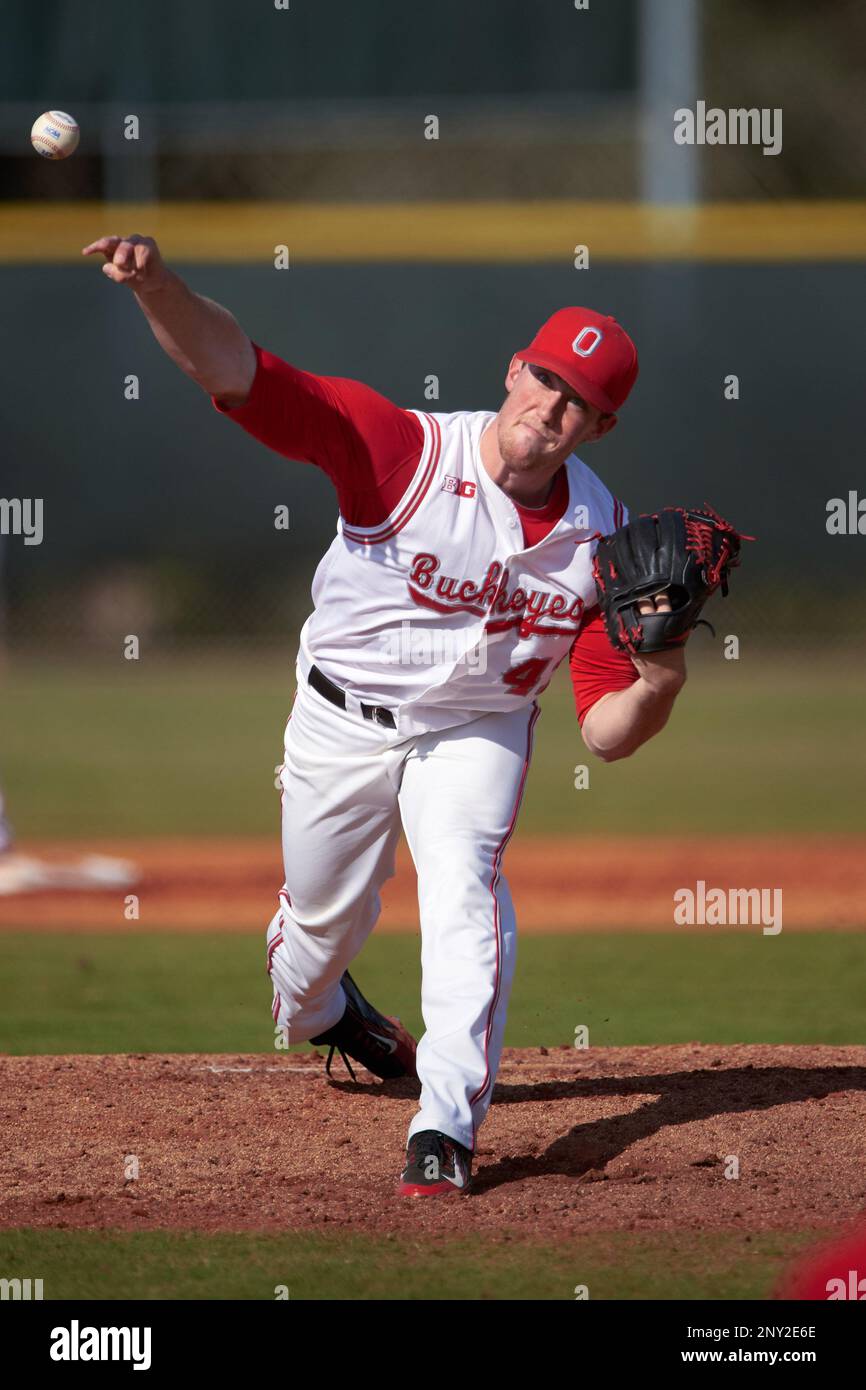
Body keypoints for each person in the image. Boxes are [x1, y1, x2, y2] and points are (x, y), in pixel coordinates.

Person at [83, 233, 685, 1197]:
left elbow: (607, 735)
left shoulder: (606, 541)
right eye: (544, 380)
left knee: (466, 892)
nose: (552, 408)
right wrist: (159, 288)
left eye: (581, 403)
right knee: (320, 928)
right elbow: (244, 371)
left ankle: (445, 1126)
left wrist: (661, 679)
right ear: (514, 369)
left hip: (475, 731)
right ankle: (322, 1007)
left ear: (601, 428)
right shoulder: (400, 448)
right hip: (342, 719)